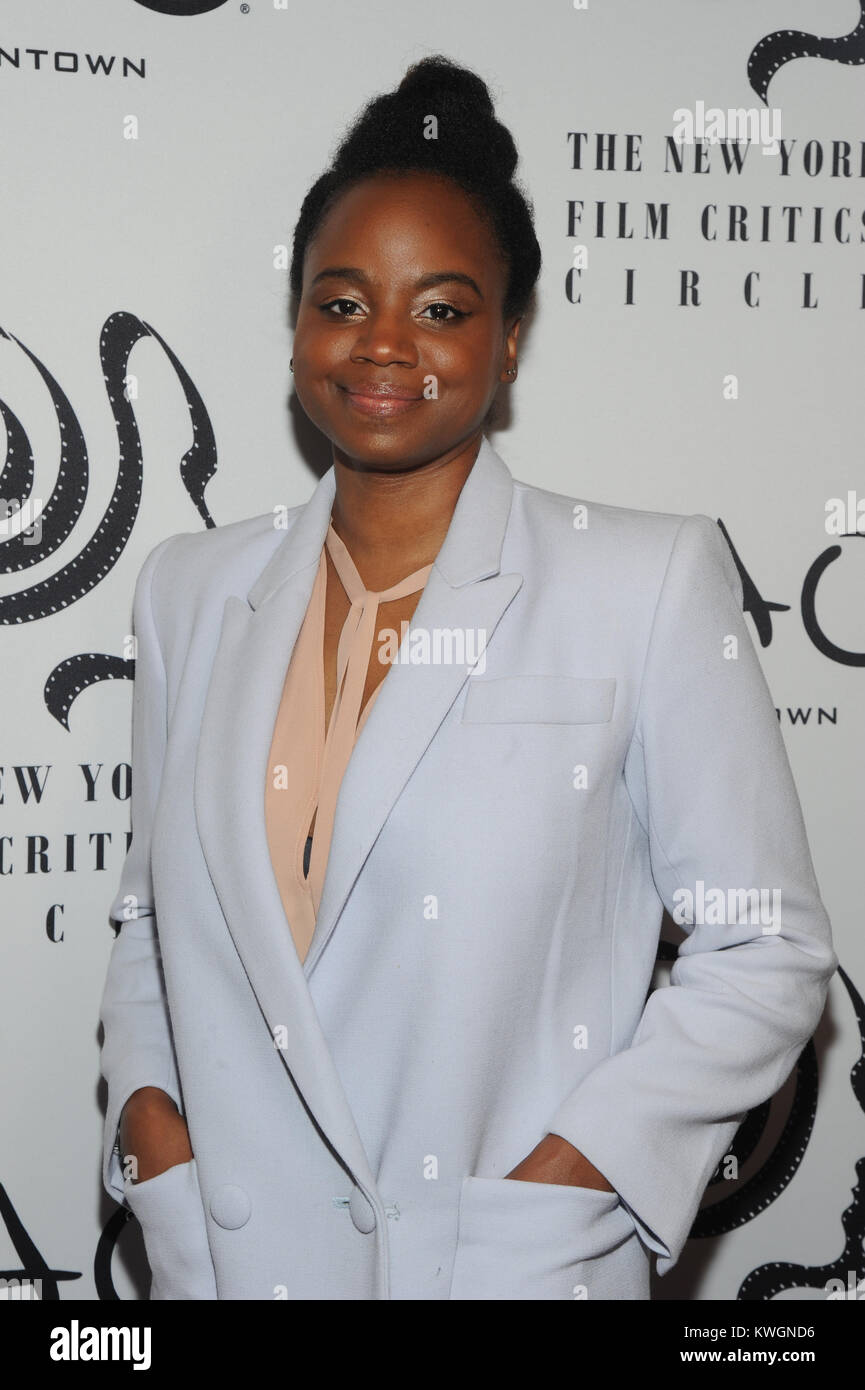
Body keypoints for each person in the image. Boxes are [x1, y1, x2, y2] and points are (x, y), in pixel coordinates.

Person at [100, 54, 837, 1301]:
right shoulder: (188, 587)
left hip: (496, 1273)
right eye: (341, 301)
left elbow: (764, 948)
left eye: (440, 308)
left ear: (509, 338)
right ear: (294, 324)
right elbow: (150, 923)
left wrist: (581, 1177)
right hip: (225, 1268)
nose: (383, 344)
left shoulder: (642, 582)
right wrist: (152, 1137)